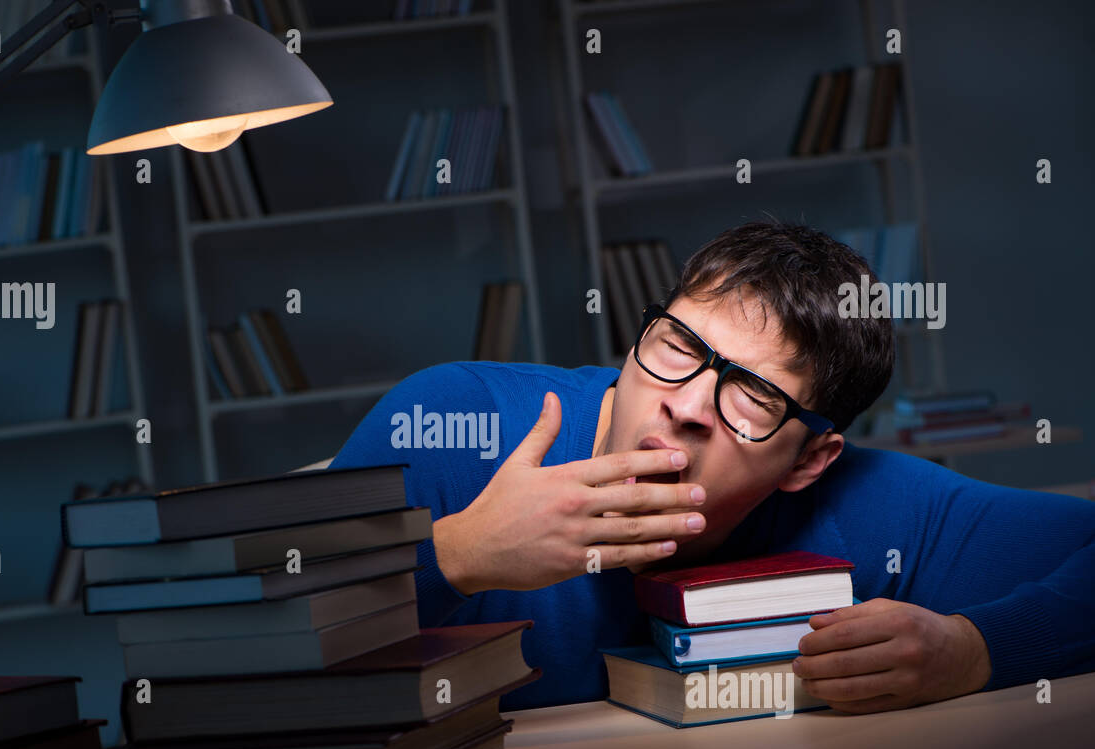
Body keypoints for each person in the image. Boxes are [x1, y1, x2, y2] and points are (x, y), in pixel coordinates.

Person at [329, 222, 1095, 713]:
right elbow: (245, 659)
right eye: (679, 348)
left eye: (755, 395)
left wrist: (975, 650)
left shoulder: (868, 505)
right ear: (633, 346)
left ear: (809, 458)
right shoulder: (447, 426)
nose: (689, 403)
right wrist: (460, 555)